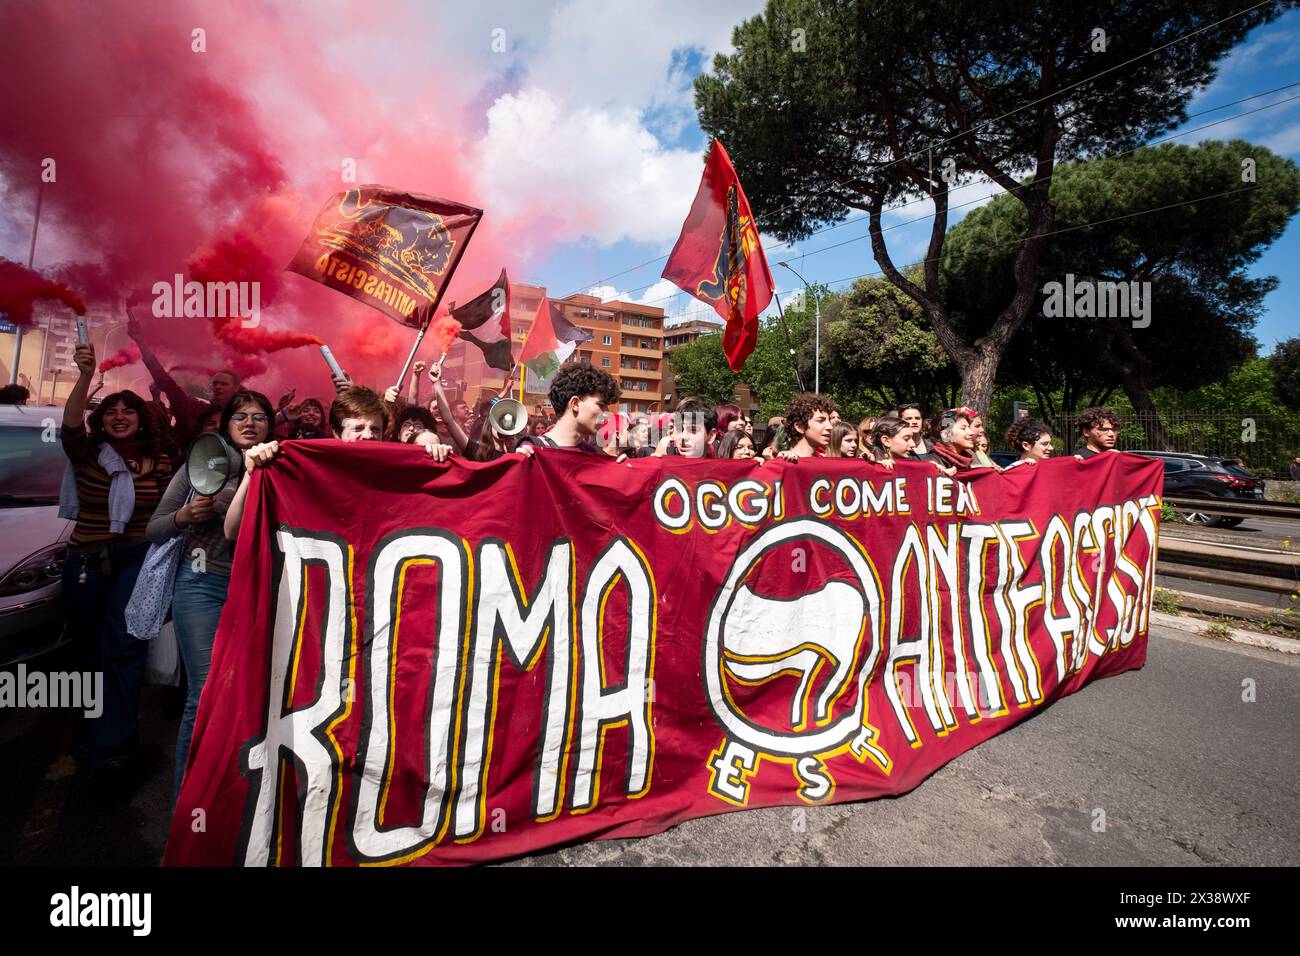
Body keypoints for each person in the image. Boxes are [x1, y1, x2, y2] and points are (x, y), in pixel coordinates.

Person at [146, 390, 275, 798]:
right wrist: (183, 516)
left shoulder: (281, 465)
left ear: (271, 426)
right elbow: (154, 528)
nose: (249, 423)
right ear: (225, 426)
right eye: (240, 417)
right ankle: (191, 796)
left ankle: (235, 794)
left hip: (257, 589)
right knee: (204, 691)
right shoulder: (200, 464)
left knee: (254, 690)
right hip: (201, 585)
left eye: (259, 416)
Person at [58, 341, 175, 787]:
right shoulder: (86, 454)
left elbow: (164, 515)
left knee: (123, 650)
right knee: (87, 653)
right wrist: (84, 376)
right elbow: (70, 425)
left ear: (140, 419)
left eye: (128, 410)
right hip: (86, 561)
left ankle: (115, 751)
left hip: (136, 562)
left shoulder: (160, 461)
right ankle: (86, 734)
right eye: (111, 412)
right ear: (101, 421)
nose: (119, 416)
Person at [223, 385, 453, 539]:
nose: (368, 435)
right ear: (335, 431)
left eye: (375, 429)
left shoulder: (395, 475)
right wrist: (251, 473)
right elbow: (232, 531)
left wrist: (434, 455)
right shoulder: (303, 470)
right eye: (358, 428)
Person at [128, 310, 240, 449]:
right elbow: (165, 381)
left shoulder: (246, 414)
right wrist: (141, 342)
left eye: (223, 384)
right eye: (215, 383)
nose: (217, 387)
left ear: (236, 387)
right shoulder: (195, 409)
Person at [519, 363, 620, 452]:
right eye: (601, 405)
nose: (607, 413)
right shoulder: (530, 451)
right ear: (575, 404)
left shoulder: (591, 453)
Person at [646, 397, 717, 458]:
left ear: (711, 436)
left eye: (693, 430)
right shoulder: (666, 448)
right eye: (680, 429)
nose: (683, 436)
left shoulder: (720, 452)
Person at [776, 392, 833, 460]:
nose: (830, 427)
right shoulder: (784, 463)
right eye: (820, 420)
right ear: (800, 427)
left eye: (829, 420)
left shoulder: (825, 462)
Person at [916, 408, 973, 474]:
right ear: (946, 435)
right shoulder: (932, 464)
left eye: (969, 427)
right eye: (963, 428)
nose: (971, 432)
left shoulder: (967, 460)